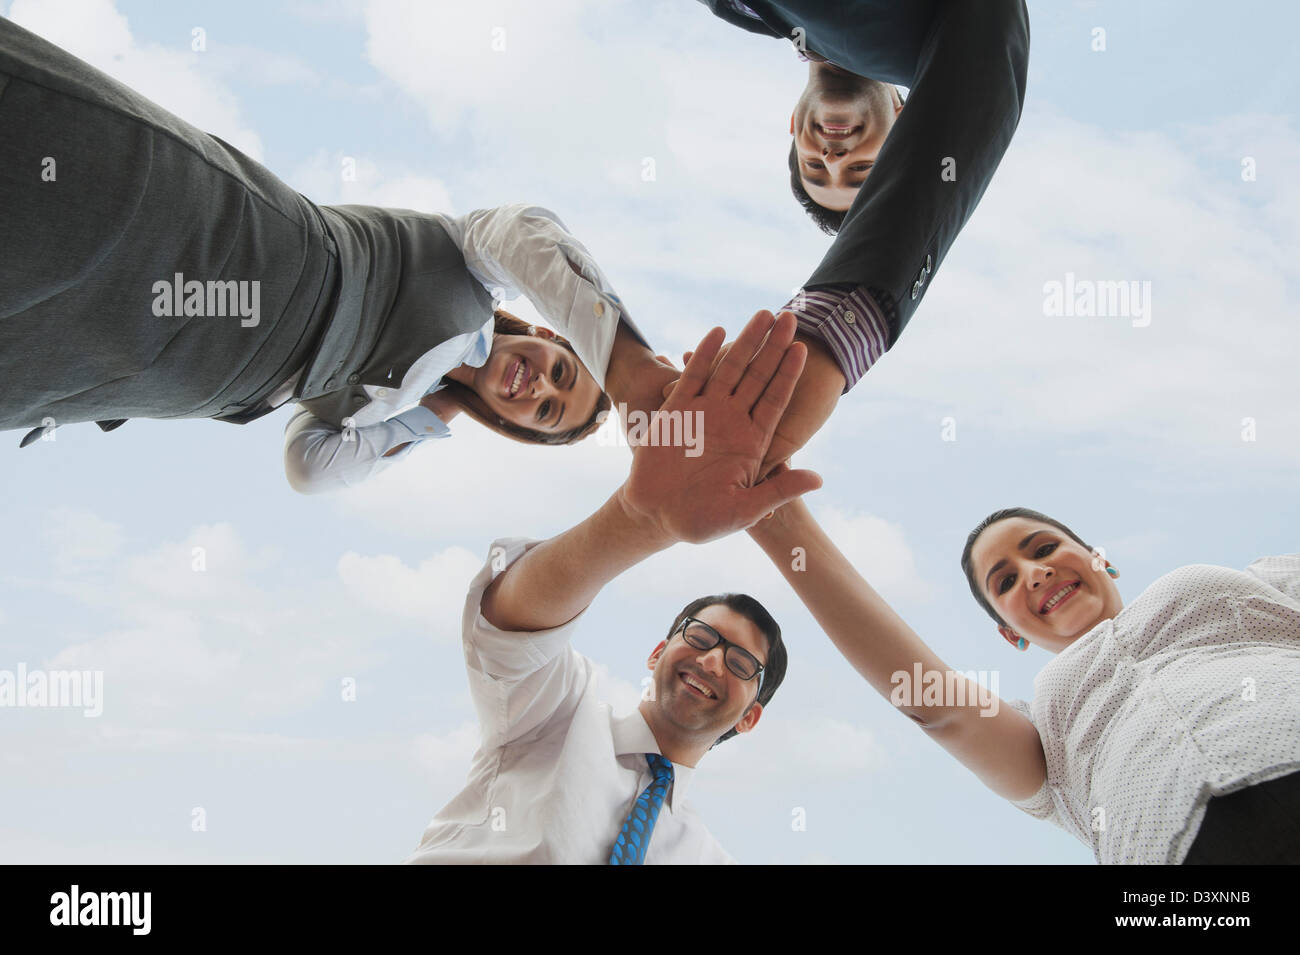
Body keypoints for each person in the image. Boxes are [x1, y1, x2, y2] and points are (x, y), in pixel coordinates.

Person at [0, 16, 679, 475]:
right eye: (563, 368)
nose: (540, 387)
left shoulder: (399, 411)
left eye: (547, 411)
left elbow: (310, 468)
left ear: (517, 425)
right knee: (54, 176)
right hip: (244, 251)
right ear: (548, 334)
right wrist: (626, 365)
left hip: (180, 380)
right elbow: (522, 232)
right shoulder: (473, 268)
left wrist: (434, 413)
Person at [405, 310, 823, 864]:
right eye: (700, 637)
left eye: (744, 663)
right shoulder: (555, 714)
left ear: (751, 717)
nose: (713, 662)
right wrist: (638, 519)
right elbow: (510, 623)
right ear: (658, 651)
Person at [745, 496, 1300, 863]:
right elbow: (935, 704)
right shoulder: (1042, 735)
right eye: (1005, 580)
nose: (1035, 572)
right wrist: (774, 518)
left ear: (1101, 559)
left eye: (1044, 549)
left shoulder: (1240, 584)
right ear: (1011, 634)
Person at [691, 0, 1030, 477]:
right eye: (860, 169)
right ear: (904, 116)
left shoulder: (740, 10)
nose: (833, 157)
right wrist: (840, 326)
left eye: (815, 166)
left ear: (795, 124)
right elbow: (986, 70)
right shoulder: (937, 34)